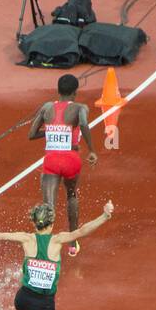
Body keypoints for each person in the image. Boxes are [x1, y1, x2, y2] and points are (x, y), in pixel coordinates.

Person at [26, 74, 98, 256]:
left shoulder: (47, 108)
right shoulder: (80, 108)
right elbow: (83, 124)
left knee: (48, 206)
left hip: (51, 160)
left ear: (58, 91)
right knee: (72, 195)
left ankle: (44, 249)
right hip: (71, 160)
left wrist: (49, 132)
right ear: (75, 92)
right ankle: (73, 243)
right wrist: (91, 150)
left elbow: (31, 134)